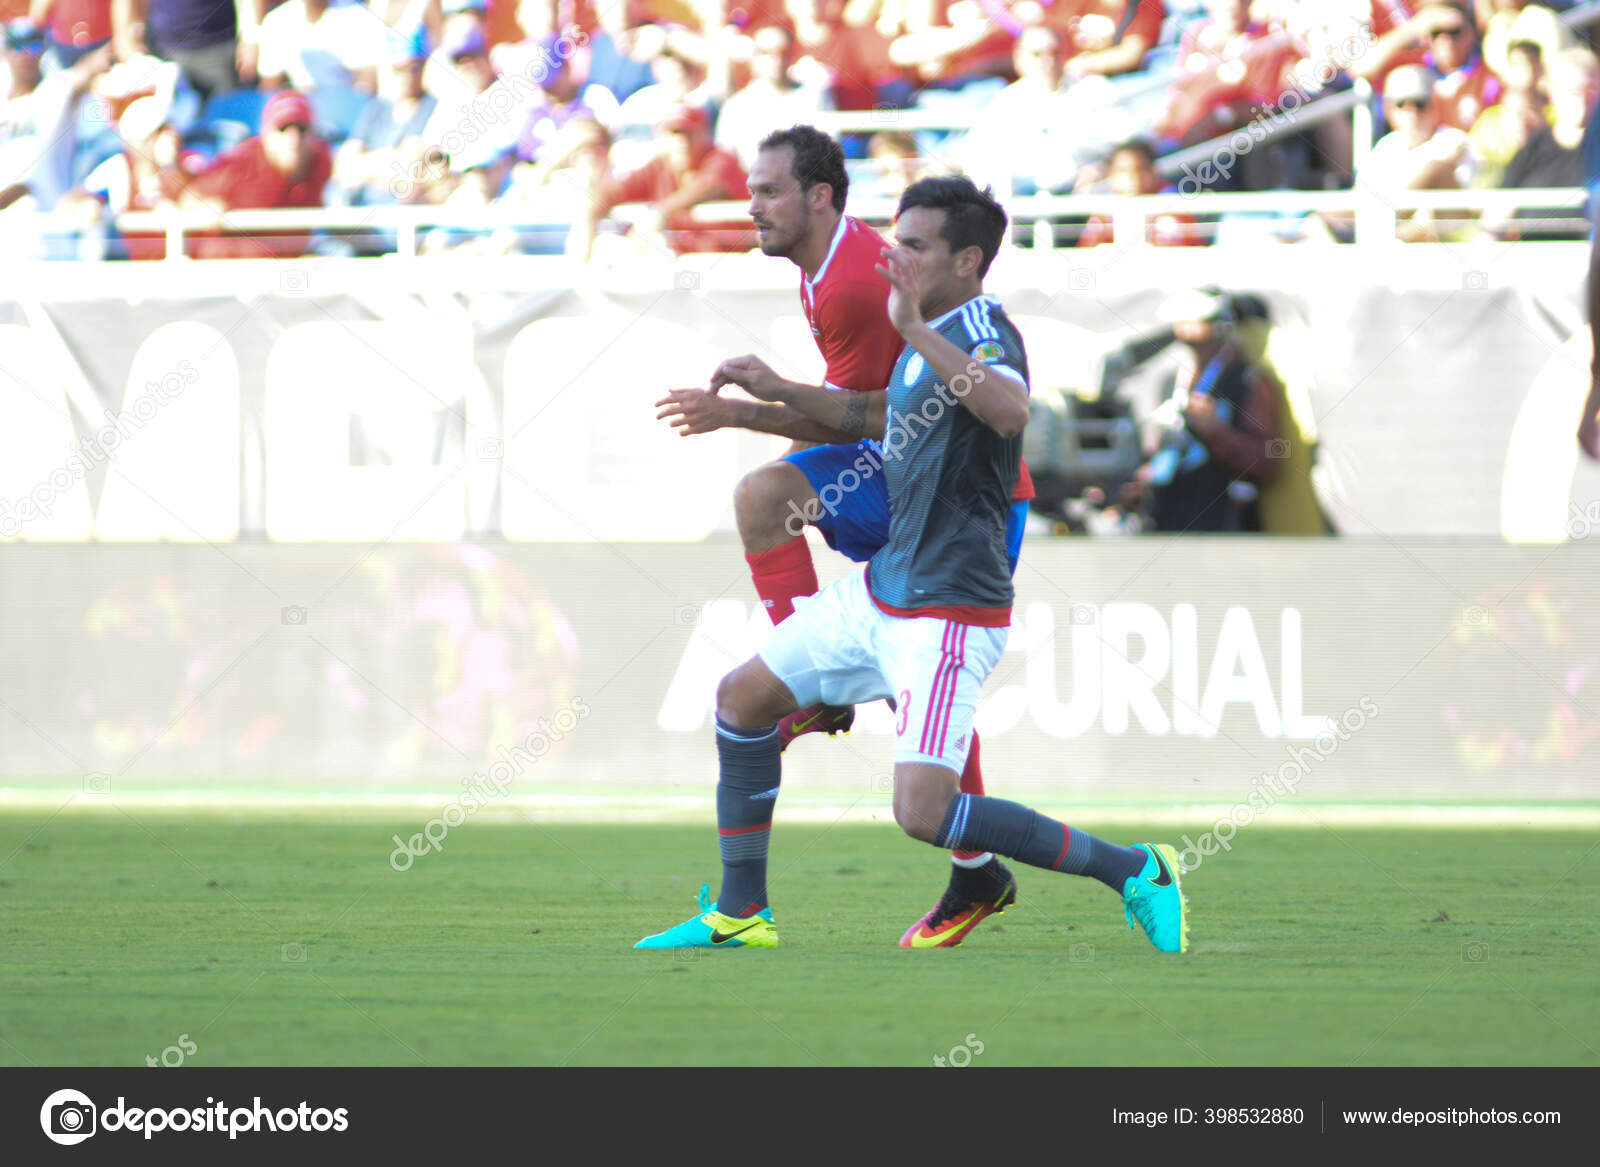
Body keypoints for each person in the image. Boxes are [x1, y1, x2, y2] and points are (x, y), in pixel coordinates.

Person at [637, 175, 1189, 954]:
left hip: (946, 614)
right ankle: (741, 911)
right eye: (895, 241)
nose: (896, 257)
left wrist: (909, 327)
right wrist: (757, 405)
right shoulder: (923, 334)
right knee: (742, 699)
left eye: (916, 246)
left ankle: (1137, 868)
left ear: (968, 260)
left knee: (922, 812)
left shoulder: (982, 330)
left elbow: (1008, 410)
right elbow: (869, 418)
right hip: (881, 595)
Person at [653, 126, 1042, 949]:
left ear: (819, 197)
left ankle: (1039, 866)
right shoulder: (823, 273)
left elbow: (879, 415)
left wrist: (753, 409)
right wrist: (756, 415)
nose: (750, 205)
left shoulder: (862, 284)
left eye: (768, 191)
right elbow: (858, 413)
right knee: (772, 497)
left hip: (963, 503)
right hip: (906, 475)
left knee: (915, 666)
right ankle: (973, 870)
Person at [1121, 288, 1282, 533]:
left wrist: (1216, 432)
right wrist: (1141, 481)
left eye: (1197, 318)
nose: (1184, 326)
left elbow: (1267, 461)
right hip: (1166, 521)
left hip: (1219, 529)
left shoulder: (1246, 380)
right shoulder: (1170, 379)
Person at [169, 86, 331, 257]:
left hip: (287, 262)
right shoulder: (242, 163)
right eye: (283, 129)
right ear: (266, 133)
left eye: (301, 129)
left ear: (313, 134)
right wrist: (208, 207)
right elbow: (190, 199)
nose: (293, 139)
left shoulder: (321, 161)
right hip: (237, 268)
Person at [573, 104, 749, 258]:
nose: (681, 142)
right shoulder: (659, 166)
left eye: (688, 134)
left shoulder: (721, 159)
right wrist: (587, 218)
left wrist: (660, 212)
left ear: (703, 134)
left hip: (736, 261)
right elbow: (614, 190)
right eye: (674, 135)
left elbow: (710, 185)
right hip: (682, 265)